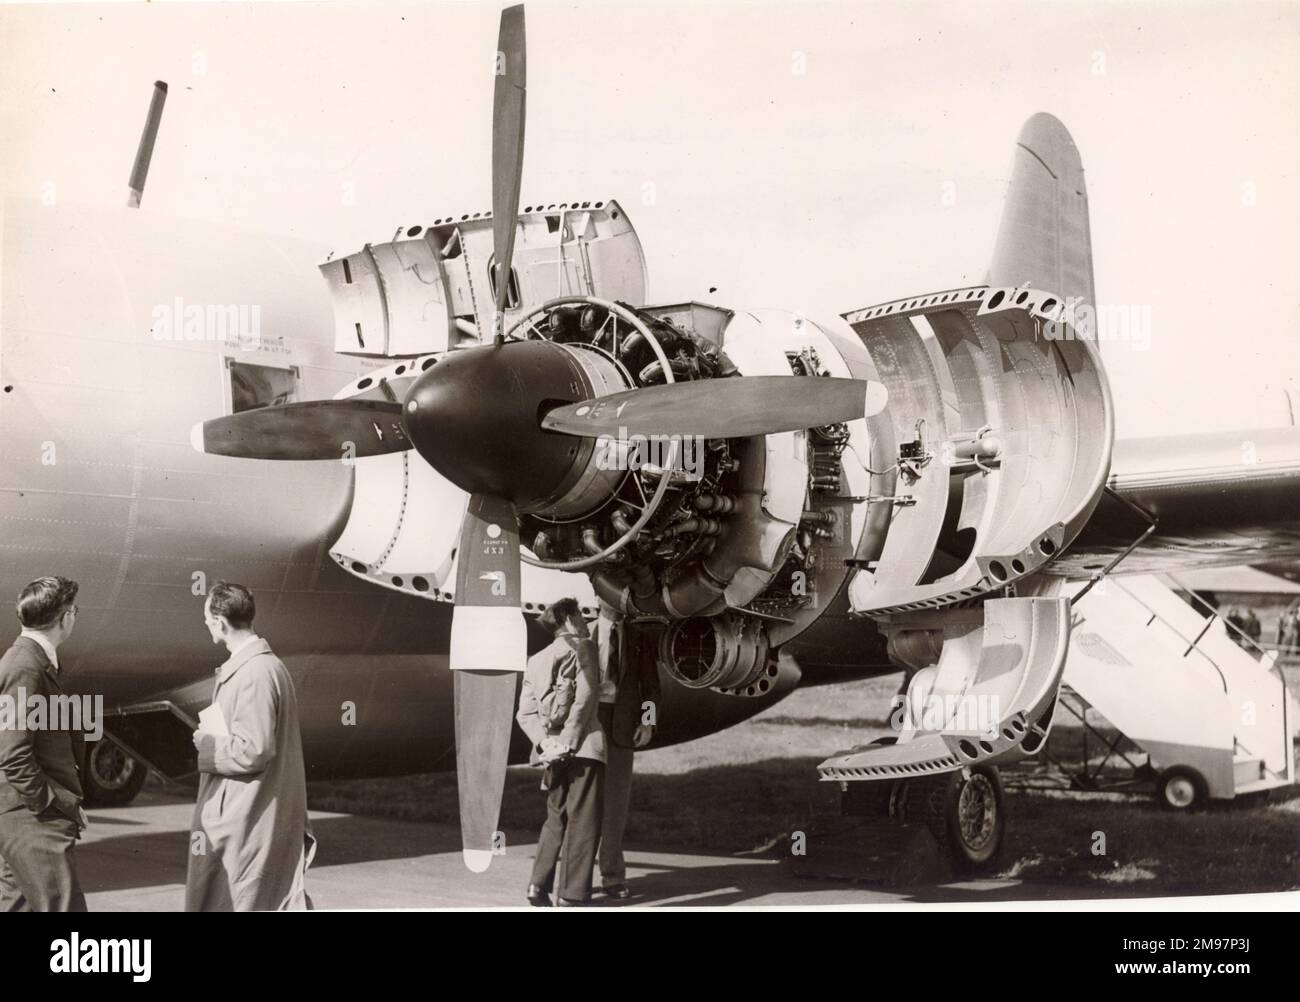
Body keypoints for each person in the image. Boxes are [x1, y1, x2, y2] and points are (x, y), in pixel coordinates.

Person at [186, 581, 315, 911]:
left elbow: (254, 749)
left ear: (221, 622)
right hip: (252, 812)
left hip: (247, 817)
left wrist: (208, 743)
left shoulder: (254, 673)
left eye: (207, 618)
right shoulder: (262, 666)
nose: (204, 624)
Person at [0, 575, 89, 911]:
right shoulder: (25, 666)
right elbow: (13, 754)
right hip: (32, 818)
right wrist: (52, 806)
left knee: (17, 906)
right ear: (65, 617)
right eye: (74, 610)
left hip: (23, 814)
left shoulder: (34, 660)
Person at [516, 597, 604, 906]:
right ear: (568, 618)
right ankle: (573, 894)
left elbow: (524, 714)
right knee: (584, 820)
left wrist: (546, 745)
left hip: (551, 753)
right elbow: (587, 696)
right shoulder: (585, 647)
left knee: (556, 818)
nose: (583, 619)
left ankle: (537, 886)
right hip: (583, 748)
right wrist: (569, 741)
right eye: (579, 614)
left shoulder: (537, 660)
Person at [593, 605, 660, 900]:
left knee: (616, 805)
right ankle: (576, 878)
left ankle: (612, 877)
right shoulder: (584, 633)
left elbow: (652, 687)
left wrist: (648, 723)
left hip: (622, 725)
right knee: (582, 803)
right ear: (598, 595)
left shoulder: (637, 635)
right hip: (588, 724)